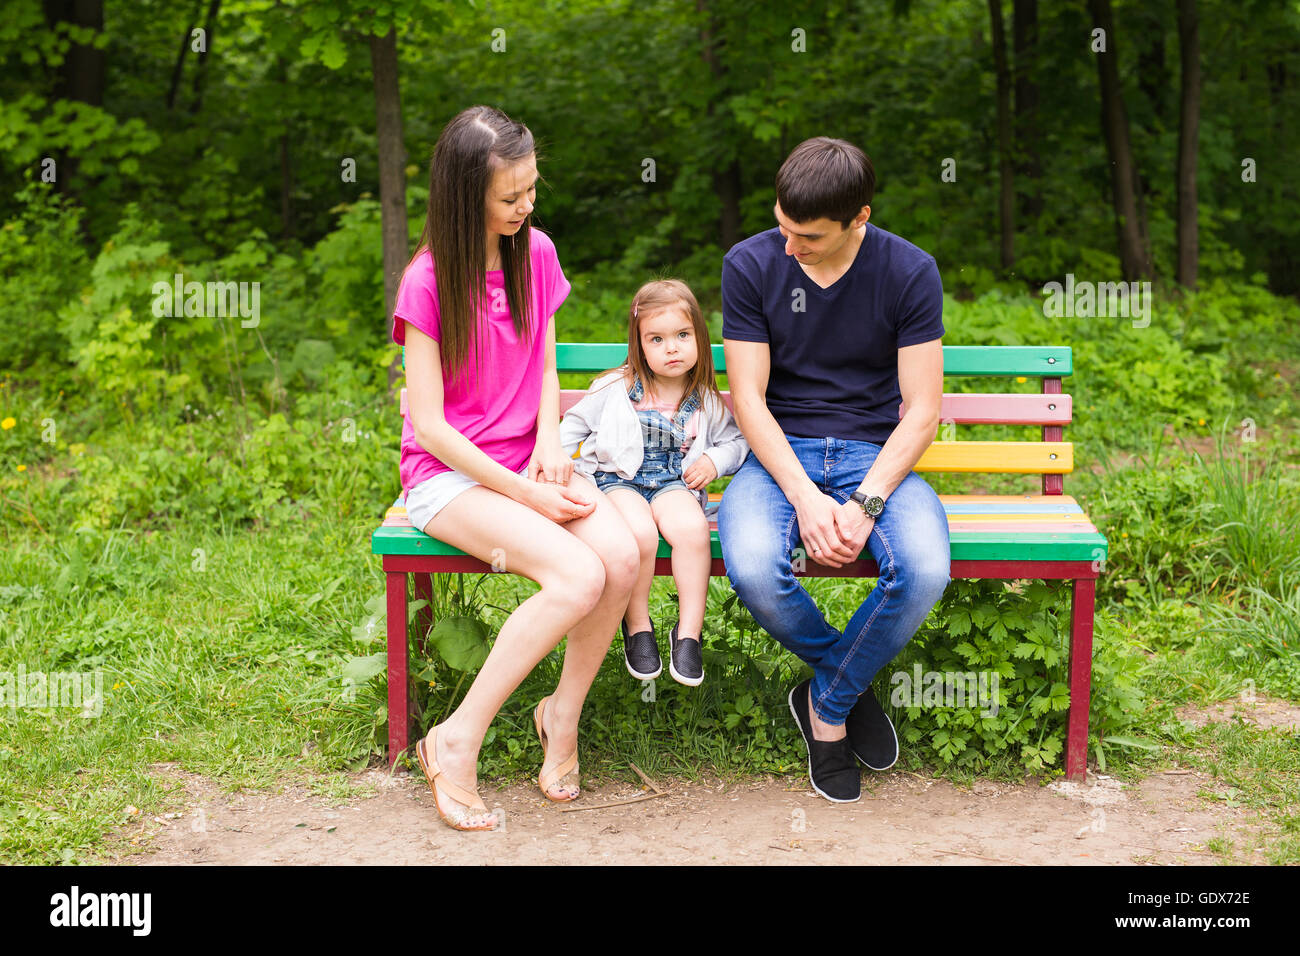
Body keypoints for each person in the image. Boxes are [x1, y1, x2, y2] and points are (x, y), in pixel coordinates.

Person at [394, 105, 640, 830]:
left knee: (621, 557)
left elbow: (543, 361)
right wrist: (524, 494)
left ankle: (559, 717)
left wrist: (550, 447)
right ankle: (455, 739)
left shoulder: (535, 252)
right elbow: (431, 427)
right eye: (510, 197)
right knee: (578, 574)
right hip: (449, 479)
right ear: (465, 195)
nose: (526, 205)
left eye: (532, 189)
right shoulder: (427, 281)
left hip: (525, 464)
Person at [717, 136, 952, 804]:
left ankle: (826, 705)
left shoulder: (908, 272)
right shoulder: (750, 263)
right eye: (784, 227)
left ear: (860, 218)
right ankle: (845, 681)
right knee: (757, 566)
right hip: (777, 455)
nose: (790, 247)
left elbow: (923, 412)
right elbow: (749, 401)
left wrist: (866, 502)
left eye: (809, 237)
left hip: (873, 455)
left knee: (926, 569)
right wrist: (804, 496)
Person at [559, 279, 749, 686]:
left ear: (698, 336)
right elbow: (571, 427)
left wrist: (715, 461)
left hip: (673, 484)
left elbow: (737, 441)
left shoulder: (705, 398)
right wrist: (561, 464)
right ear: (640, 345)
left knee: (693, 529)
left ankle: (688, 634)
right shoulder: (616, 387)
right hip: (620, 482)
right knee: (640, 533)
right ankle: (638, 624)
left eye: (682, 336)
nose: (672, 348)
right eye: (657, 339)